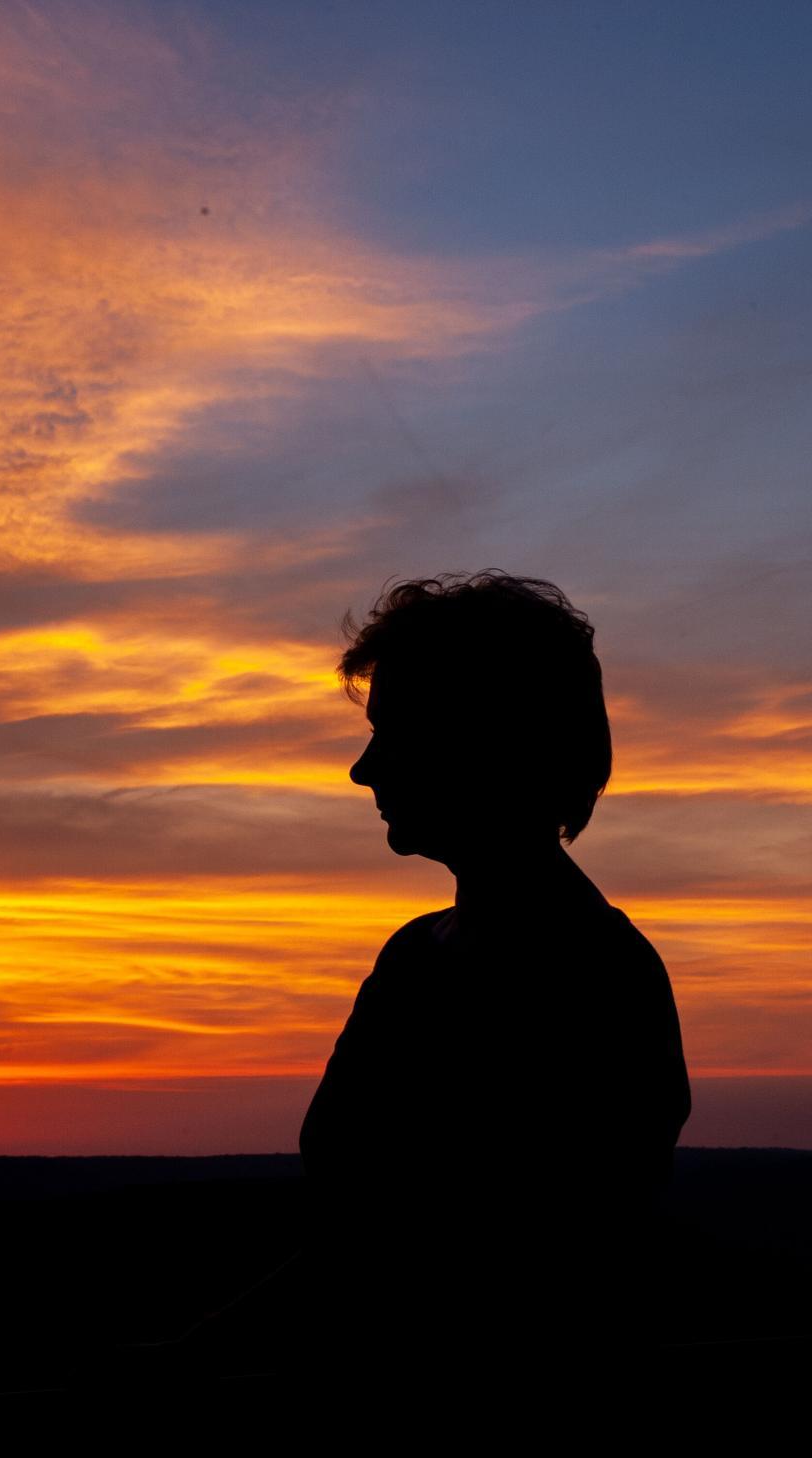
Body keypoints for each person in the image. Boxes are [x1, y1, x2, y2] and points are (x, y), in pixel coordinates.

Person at [297, 571, 691, 1411]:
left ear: (486, 741)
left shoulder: (591, 981)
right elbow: (345, 1248)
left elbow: (529, 1274)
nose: (363, 770)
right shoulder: (412, 960)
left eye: (394, 733)